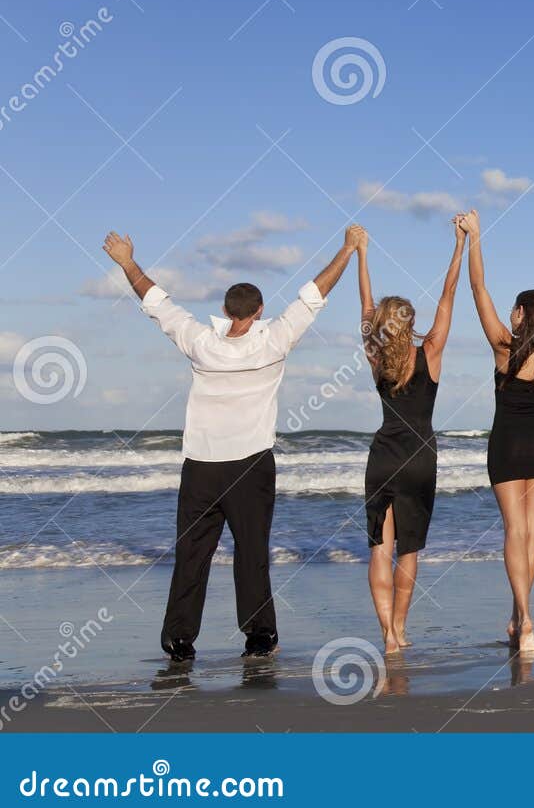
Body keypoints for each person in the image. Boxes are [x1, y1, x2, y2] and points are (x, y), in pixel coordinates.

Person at [102, 225, 363, 661]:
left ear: (225, 310)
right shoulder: (275, 340)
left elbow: (156, 302)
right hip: (249, 465)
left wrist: (128, 262)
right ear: (259, 310)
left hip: (201, 465)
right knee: (251, 553)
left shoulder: (201, 343)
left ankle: (179, 641)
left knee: (192, 554)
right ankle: (260, 637)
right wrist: (348, 249)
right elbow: (313, 296)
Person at [463, 209, 534, 654]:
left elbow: (477, 288)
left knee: (514, 531)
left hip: (507, 444)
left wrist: (475, 236)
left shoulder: (503, 347)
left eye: (513, 308)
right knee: (532, 530)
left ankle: (525, 618)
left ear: (519, 314)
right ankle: (519, 616)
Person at [356, 216, 464, 653]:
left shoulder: (375, 356)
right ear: (410, 323)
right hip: (420, 457)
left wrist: (362, 253)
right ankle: (400, 629)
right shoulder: (430, 353)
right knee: (409, 550)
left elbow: (365, 305)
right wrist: (461, 245)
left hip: (383, 455)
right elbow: (448, 295)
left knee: (379, 548)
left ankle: (386, 635)